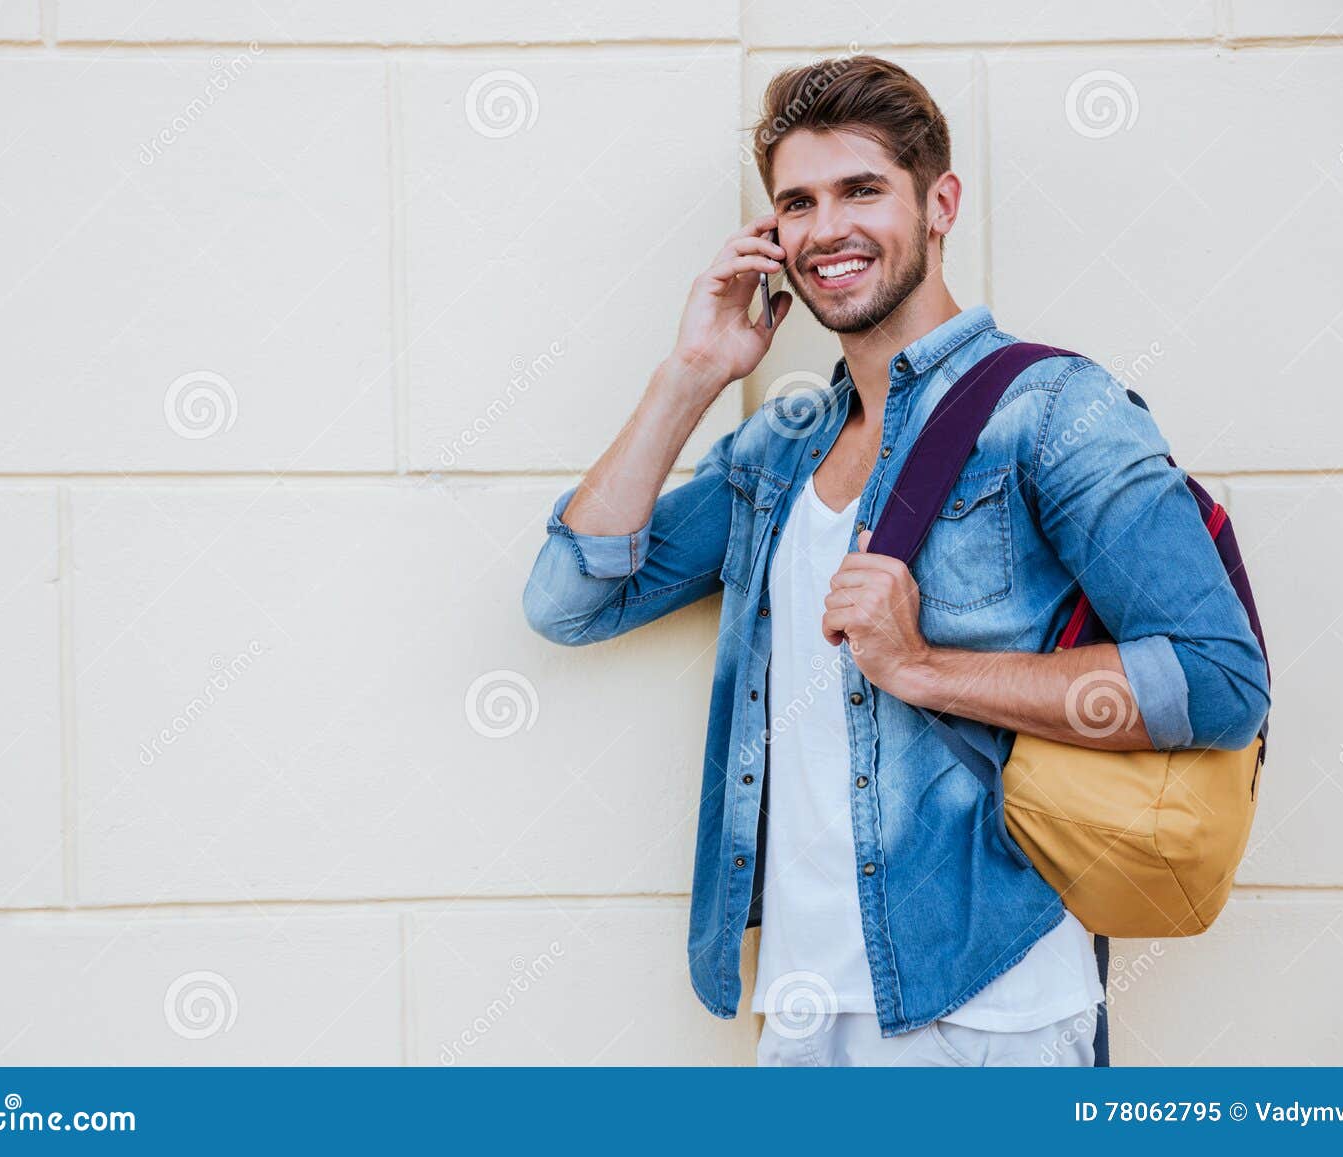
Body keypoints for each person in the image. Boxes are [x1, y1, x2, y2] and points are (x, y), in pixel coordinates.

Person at [522, 55, 1269, 1067]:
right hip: (800, 997)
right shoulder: (781, 449)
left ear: (940, 201)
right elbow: (570, 597)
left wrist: (920, 666)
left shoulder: (1054, 413)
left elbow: (1218, 678)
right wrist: (691, 372)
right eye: (797, 202)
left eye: (860, 190)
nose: (825, 228)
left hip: (986, 1005)